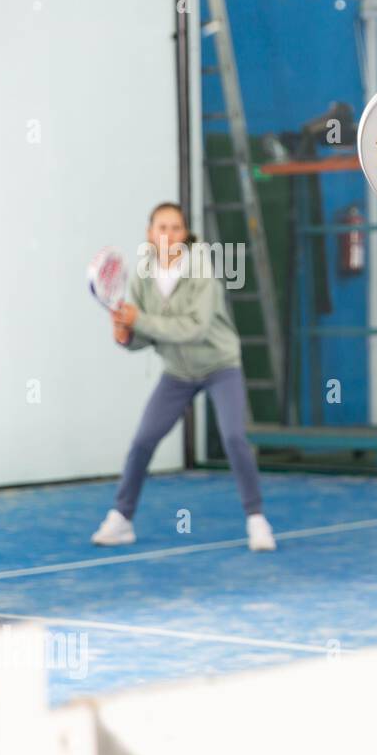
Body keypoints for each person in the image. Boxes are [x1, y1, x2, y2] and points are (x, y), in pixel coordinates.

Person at [91, 202, 276, 552]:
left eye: (176, 228)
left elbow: (194, 328)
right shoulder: (144, 275)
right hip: (177, 373)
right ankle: (121, 519)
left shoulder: (202, 268)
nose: (169, 235)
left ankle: (256, 520)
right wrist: (126, 335)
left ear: (186, 233)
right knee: (143, 442)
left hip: (221, 365)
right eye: (162, 228)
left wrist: (138, 320)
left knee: (234, 437)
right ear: (150, 233)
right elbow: (146, 336)